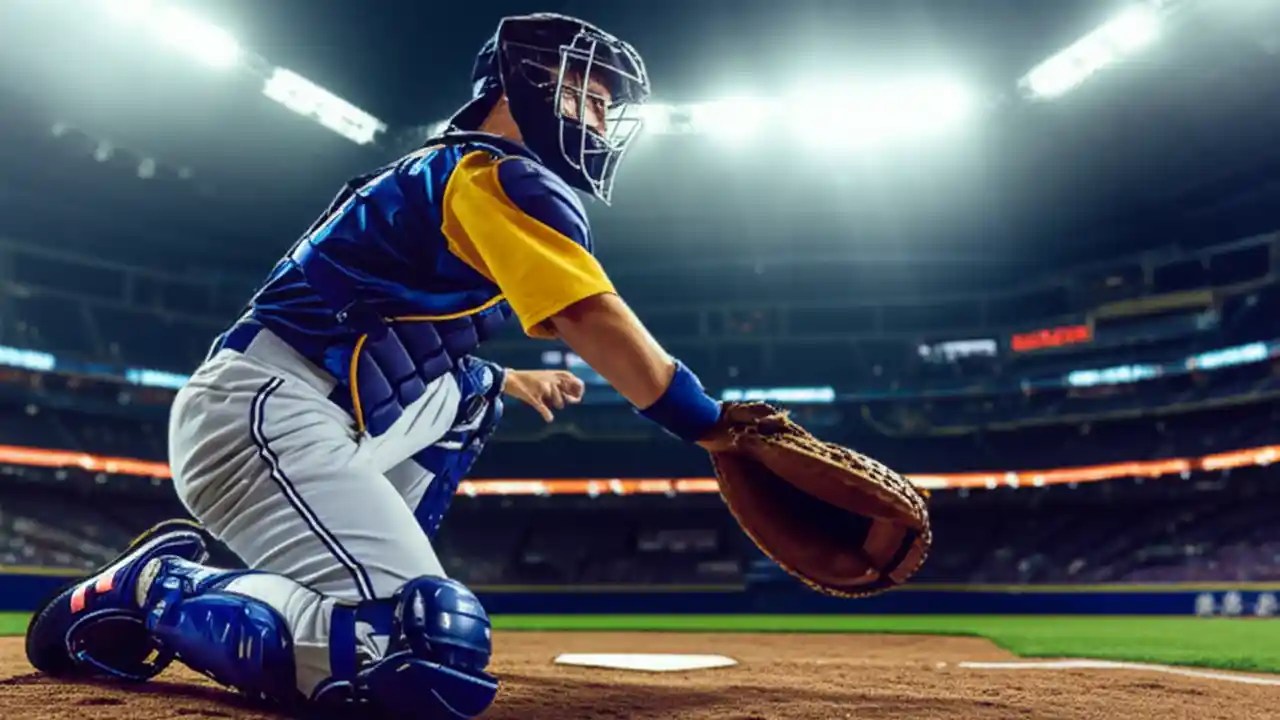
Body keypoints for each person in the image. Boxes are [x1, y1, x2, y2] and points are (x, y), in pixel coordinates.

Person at [26, 12, 726, 720]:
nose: (602, 122)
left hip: (317, 415)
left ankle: (354, 590)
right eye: (590, 97)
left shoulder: (456, 178)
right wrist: (713, 427)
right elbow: (589, 313)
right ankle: (155, 587)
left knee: (475, 391)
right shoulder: (489, 172)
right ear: (523, 88)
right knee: (413, 654)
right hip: (263, 413)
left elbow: (402, 335)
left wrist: (512, 379)